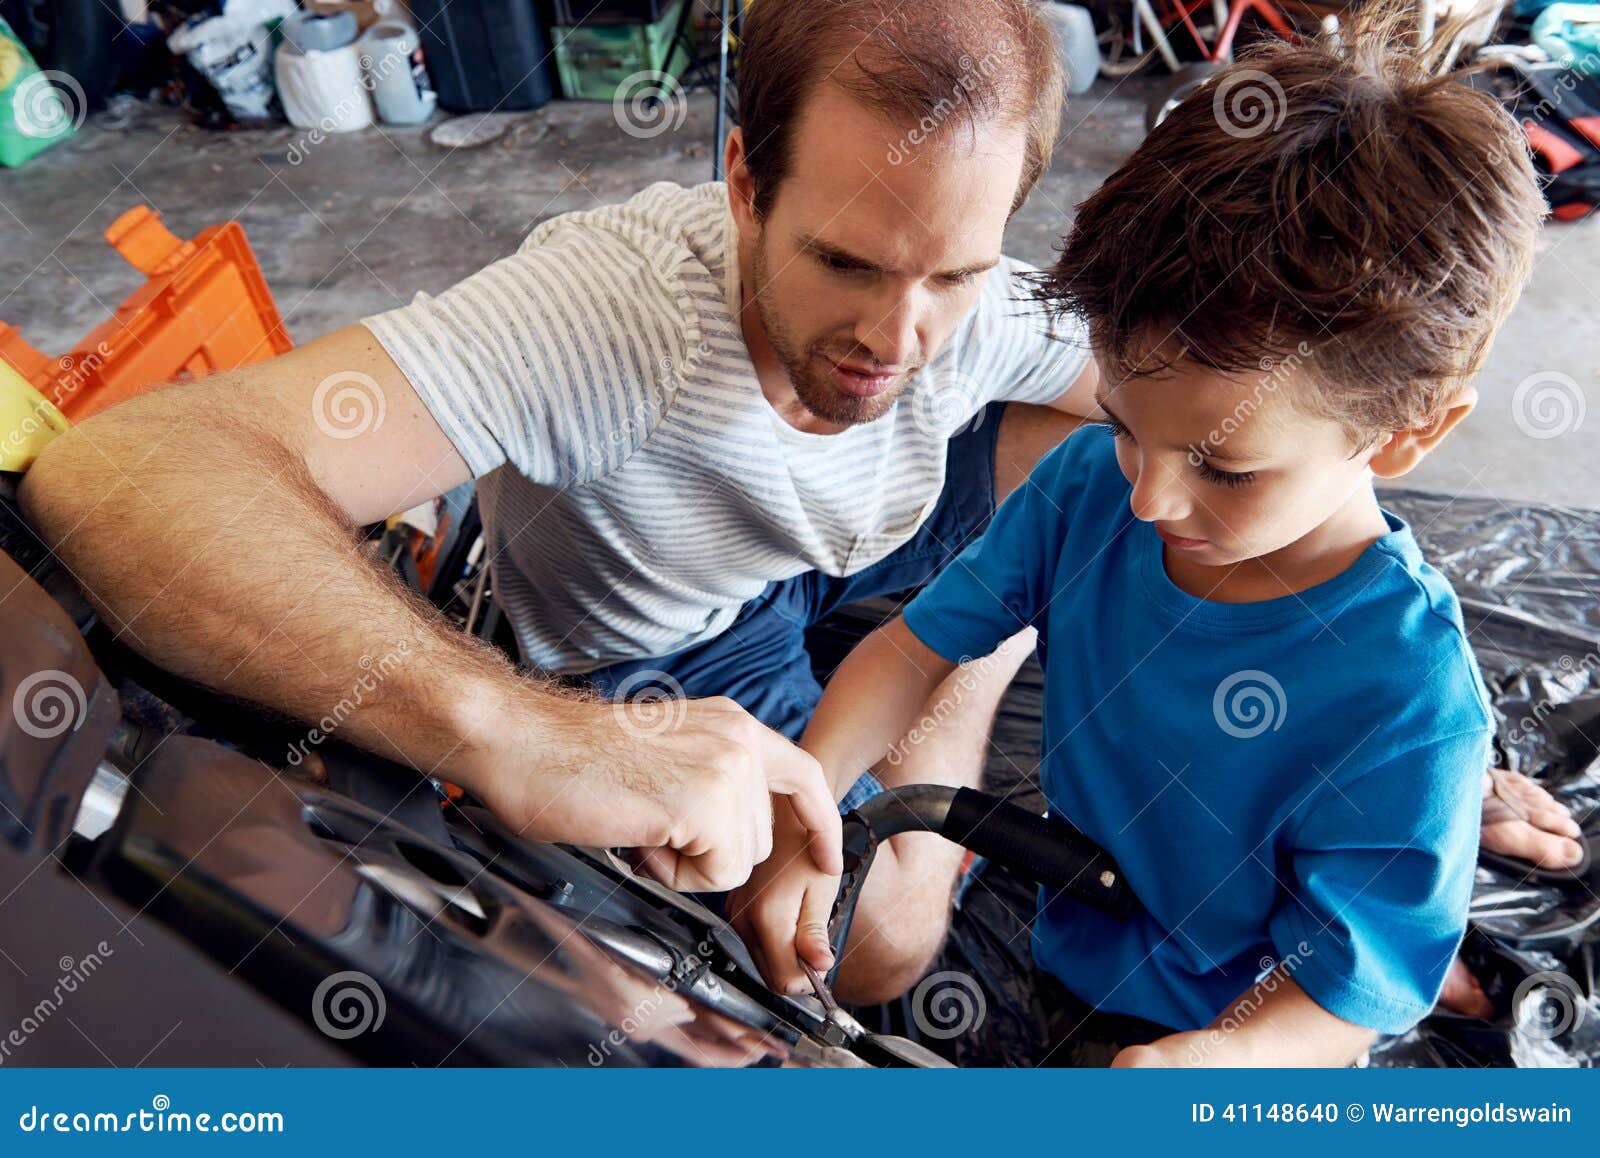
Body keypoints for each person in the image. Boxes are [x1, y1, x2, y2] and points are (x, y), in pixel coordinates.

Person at [18, 1, 1091, 918]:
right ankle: (972, 645)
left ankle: (973, 625)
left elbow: (1166, 382)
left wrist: (982, 616)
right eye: (842, 262)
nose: (897, 340)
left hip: (832, 546)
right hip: (675, 646)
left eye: (951, 275)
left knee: (1100, 441)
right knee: (885, 925)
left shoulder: (968, 297)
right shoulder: (615, 313)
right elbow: (127, 471)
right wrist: (506, 729)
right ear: (744, 183)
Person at [743, 15, 1549, 1064]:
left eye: (1222, 466)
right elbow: (911, 648)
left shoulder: (1404, 699)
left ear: (1408, 433)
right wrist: (812, 803)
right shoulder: (1086, 484)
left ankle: (1410, 930)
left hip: (1243, 1023)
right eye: (1125, 424)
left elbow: (1341, 1002)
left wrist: (1216, 1056)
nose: (1151, 500)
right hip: (1078, 929)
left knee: (1356, 965)